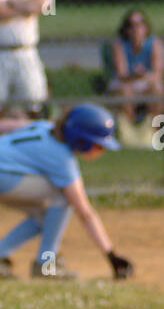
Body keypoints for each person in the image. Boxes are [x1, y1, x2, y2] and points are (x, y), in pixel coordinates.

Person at [0, 103, 133, 281]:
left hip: (7, 175)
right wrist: (110, 254)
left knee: (45, 216)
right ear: (81, 140)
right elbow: (85, 213)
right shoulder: (62, 158)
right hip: (4, 176)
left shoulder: (45, 126)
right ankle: (46, 266)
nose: (102, 151)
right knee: (62, 198)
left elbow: (7, 126)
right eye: (99, 146)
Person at [0, 0, 52, 116]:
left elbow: (47, 5)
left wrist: (12, 3)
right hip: (1, 54)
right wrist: (27, 7)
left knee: (34, 103)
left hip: (26, 52)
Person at [108, 8, 164, 131]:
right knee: (125, 91)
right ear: (126, 29)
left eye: (139, 24)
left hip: (146, 82)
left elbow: (157, 74)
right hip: (126, 82)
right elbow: (121, 75)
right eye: (131, 25)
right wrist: (135, 76)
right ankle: (131, 130)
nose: (135, 29)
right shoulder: (119, 45)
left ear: (146, 27)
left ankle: (152, 130)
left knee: (157, 88)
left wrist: (143, 76)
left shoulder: (154, 44)